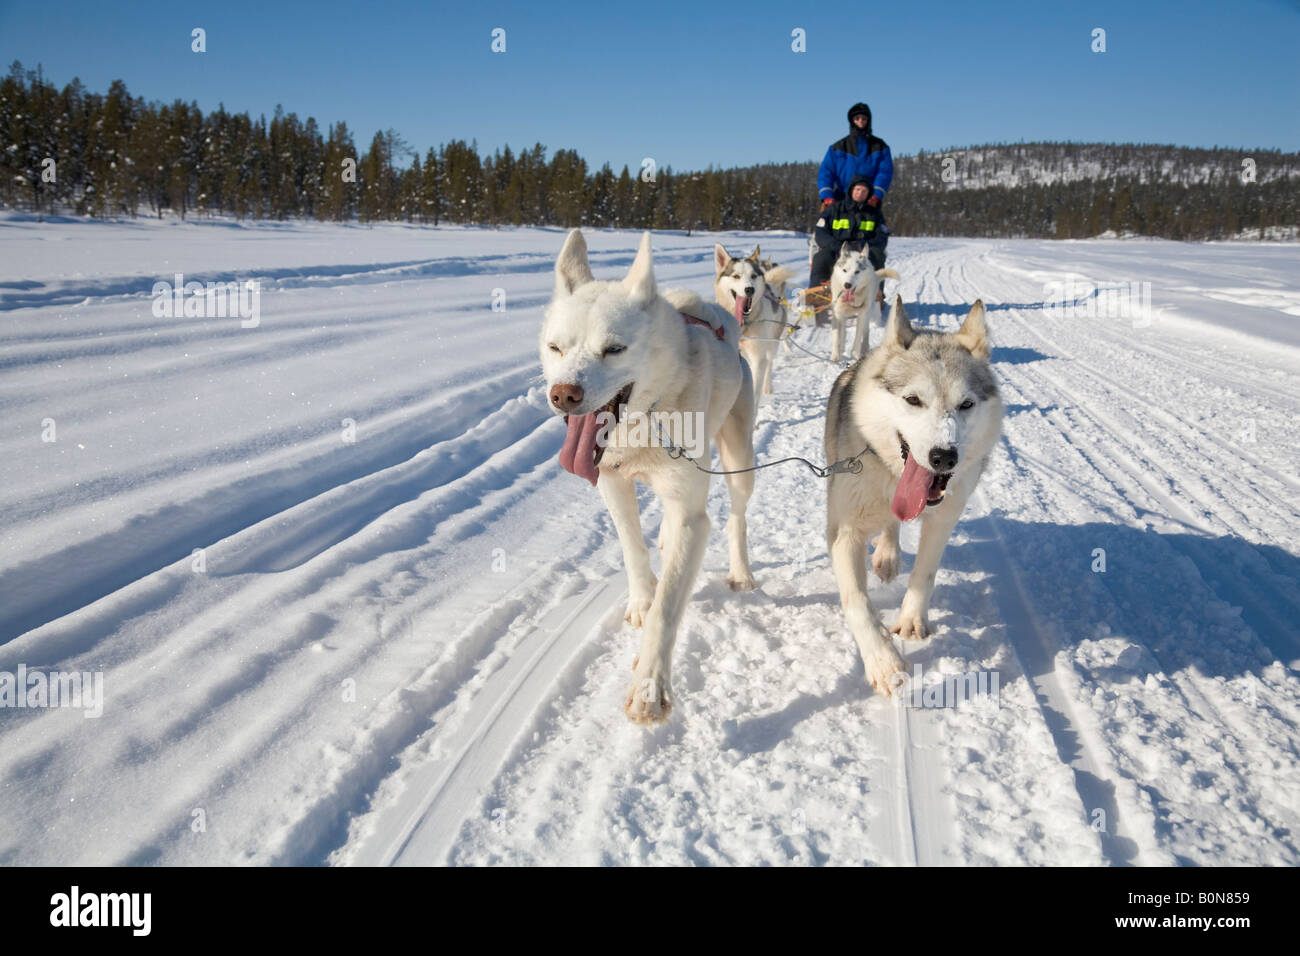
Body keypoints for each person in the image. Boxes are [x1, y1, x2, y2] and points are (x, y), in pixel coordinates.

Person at [810, 102, 893, 290]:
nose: (861, 121)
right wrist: (827, 195)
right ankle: (821, 287)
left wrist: (876, 194)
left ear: (868, 120)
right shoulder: (838, 147)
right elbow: (826, 172)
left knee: (874, 249)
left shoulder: (880, 147)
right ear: (851, 121)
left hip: (869, 201)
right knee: (827, 250)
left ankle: (874, 291)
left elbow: (885, 171)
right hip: (839, 199)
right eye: (857, 118)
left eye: (864, 118)